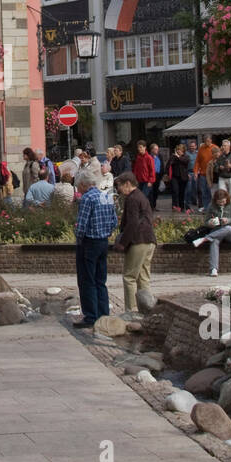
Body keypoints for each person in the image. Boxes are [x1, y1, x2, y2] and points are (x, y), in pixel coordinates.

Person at [73, 170, 116, 328]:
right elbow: (114, 221)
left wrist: (77, 236)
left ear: (84, 184)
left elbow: (81, 225)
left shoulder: (87, 198)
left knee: (87, 281)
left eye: (78, 186)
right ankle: (103, 314)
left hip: (89, 243)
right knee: (100, 280)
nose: (78, 189)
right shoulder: (106, 196)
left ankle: (91, 316)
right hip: (103, 242)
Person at [113, 173, 155, 313]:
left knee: (129, 276)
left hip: (138, 240)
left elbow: (132, 223)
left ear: (127, 184)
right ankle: (147, 309)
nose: (118, 189)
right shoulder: (141, 196)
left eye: (119, 185)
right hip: (149, 240)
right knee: (143, 277)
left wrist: (123, 243)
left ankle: (131, 310)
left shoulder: (132, 199)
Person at [191, 188, 231, 277]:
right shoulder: (211, 206)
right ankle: (213, 269)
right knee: (214, 242)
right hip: (216, 232)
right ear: (215, 201)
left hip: (230, 233)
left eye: (223, 202)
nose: (221, 203)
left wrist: (228, 220)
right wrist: (210, 223)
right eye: (219, 202)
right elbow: (206, 222)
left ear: (227, 199)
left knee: (228, 228)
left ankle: (205, 239)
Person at [213, 139, 231, 204]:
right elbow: (215, 168)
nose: (223, 147)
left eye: (225, 146)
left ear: (229, 146)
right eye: (223, 145)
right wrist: (219, 168)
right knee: (221, 194)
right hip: (222, 177)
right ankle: (223, 208)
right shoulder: (220, 156)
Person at [193, 134, 215, 209]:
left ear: (211, 140)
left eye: (208, 141)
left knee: (210, 191)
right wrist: (195, 172)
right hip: (203, 174)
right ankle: (206, 207)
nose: (207, 143)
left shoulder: (215, 148)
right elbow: (197, 161)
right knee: (204, 191)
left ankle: (212, 207)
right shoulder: (201, 149)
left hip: (211, 174)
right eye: (205, 141)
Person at [168, 143, 190, 212]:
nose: (178, 151)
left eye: (180, 150)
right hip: (175, 176)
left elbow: (184, 161)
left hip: (183, 177)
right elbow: (168, 165)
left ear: (183, 150)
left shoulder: (186, 156)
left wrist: (177, 157)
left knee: (182, 192)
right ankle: (175, 206)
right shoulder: (173, 156)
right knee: (175, 190)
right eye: (177, 150)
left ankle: (181, 206)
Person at [132, 140, 156, 205]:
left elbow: (152, 170)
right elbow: (135, 169)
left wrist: (150, 181)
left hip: (147, 181)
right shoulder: (138, 157)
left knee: (143, 196)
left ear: (145, 147)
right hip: (139, 181)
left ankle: (145, 210)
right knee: (140, 196)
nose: (139, 149)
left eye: (141, 147)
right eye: (138, 147)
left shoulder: (149, 158)